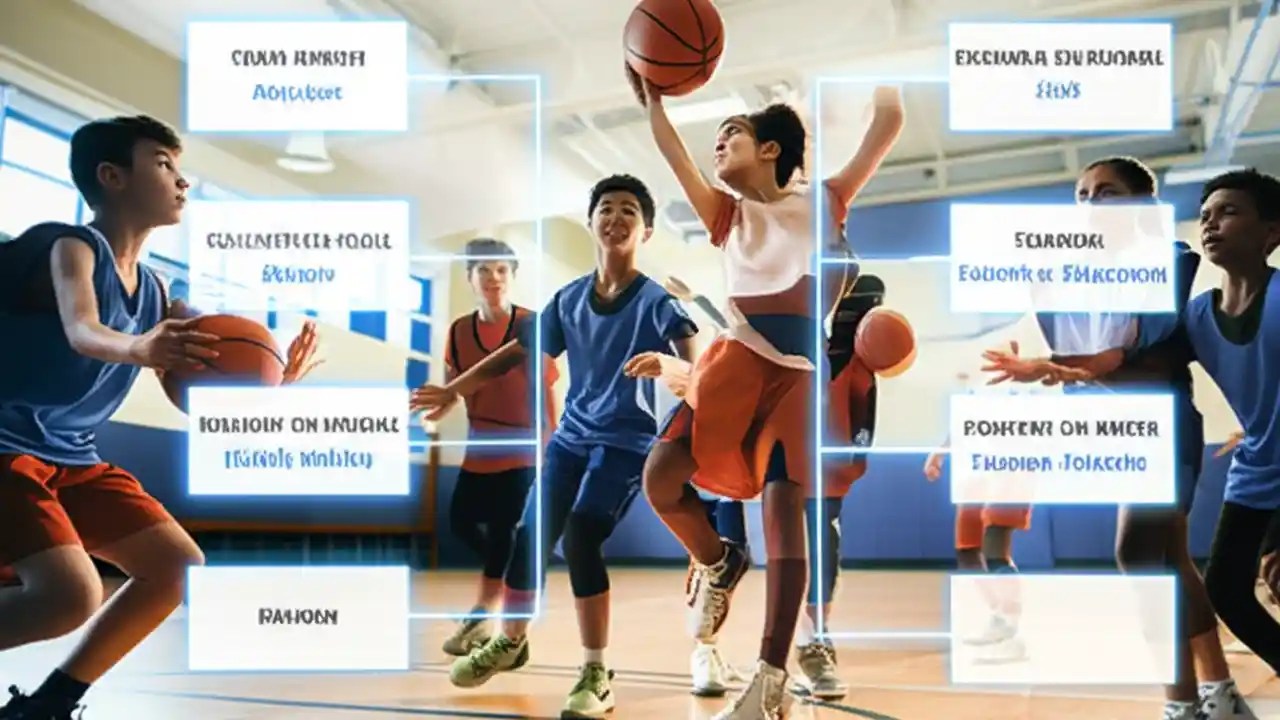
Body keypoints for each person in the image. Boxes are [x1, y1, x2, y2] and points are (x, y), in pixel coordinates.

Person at [0, 115, 319, 720]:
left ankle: (48, 705)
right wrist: (140, 347)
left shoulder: (156, 290)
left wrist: (272, 379)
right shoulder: (72, 247)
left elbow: (217, 354)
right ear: (112, 176)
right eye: (164, 164)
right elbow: (83, 328)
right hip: (5, 447)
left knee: (176, 568)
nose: (183, 180)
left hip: (72, 458)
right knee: (70, 595)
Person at [627, 67, 903, 718]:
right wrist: (656, 103)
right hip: (740, 359)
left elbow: (886, 125)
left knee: (787, 525)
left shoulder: (826, 200)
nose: (718, 144)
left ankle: (771, 677)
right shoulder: (726, 214)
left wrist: (888, 66)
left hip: (798, 379)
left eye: (732, 133)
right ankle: (719, 562)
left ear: (772, 149)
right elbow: (672, 155)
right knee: (661, 478)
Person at [409, 174, 699, 719]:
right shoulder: (568, 299)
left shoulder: (655, 301)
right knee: (529, 534)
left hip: (625, 443)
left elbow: (694, 360)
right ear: (591, 222)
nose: (616, 217)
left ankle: (596, 671)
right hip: (570, 438)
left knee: (584, 534)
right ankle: (512, 640)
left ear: (647, 230)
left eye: (629, 211)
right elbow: (514, 353)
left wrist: (680, 371)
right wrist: (453, 388)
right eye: (606, 208)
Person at [983, 157, 1253, 720]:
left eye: (1106, 193)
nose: (1090, 203)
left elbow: (1121, 362)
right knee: (1173, 560)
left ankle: (1182, 704)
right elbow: (1091, 368)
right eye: (1082, 194)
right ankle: (1220, 693)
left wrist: (1052, 366)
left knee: (1136, 555)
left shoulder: (1166, 262)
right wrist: (1052, 372)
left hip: (1161, 428)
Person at [438, 238, 560, 658]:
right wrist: (438, 405)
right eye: (484, 270)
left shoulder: (532, 325)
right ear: (470, 278)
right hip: (481, 446)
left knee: (505, 530)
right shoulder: (458, 331)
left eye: (502, 270)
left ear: (512, 277)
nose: (493, 278)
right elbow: (453, 385)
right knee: (460, 523)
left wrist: (552, 444)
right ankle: (512, 574)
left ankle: (481, 615)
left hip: (525, 445)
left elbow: (546, 390)